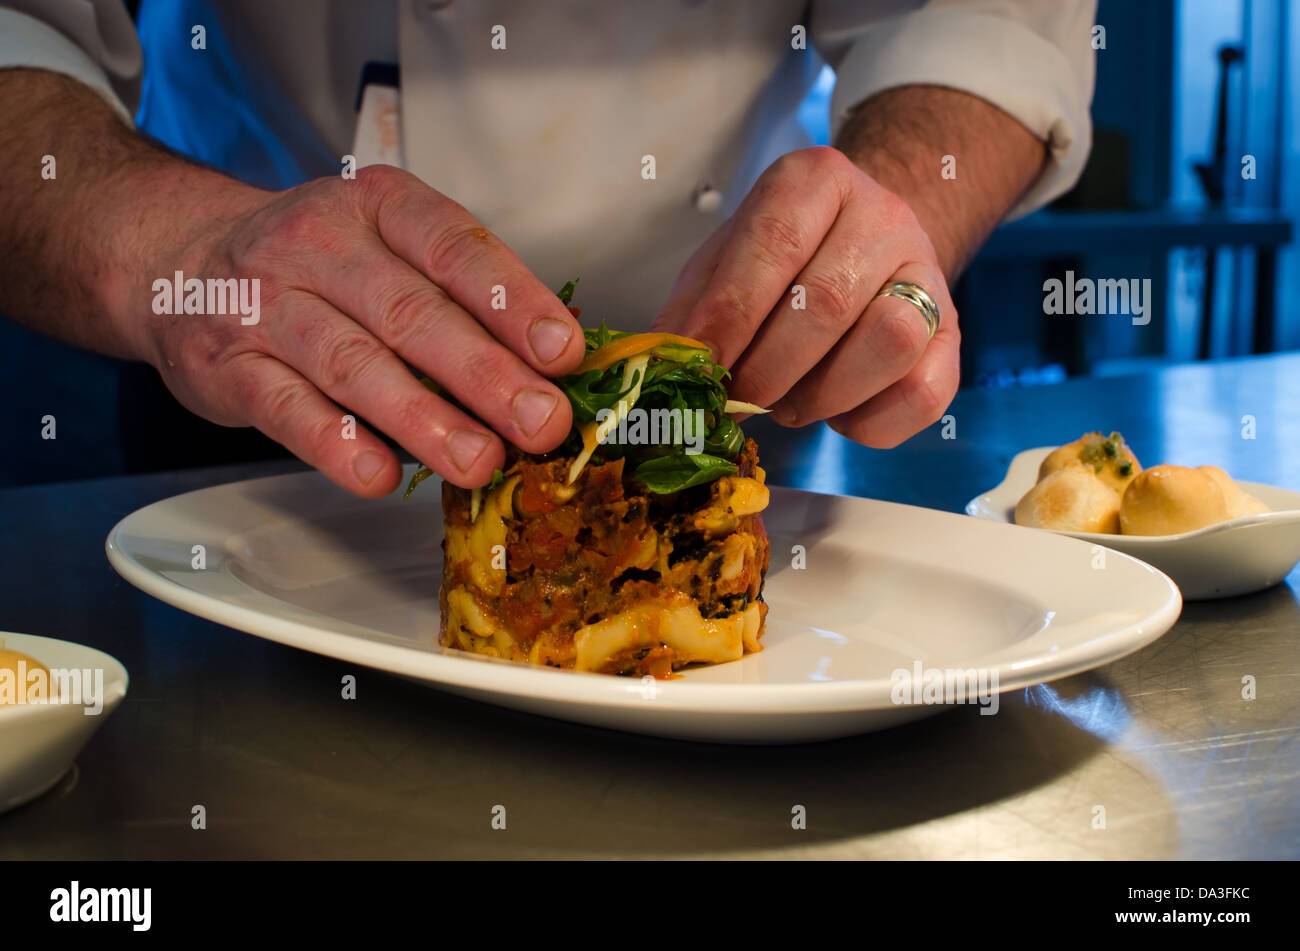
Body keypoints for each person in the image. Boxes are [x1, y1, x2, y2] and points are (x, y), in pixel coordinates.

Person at [0, 0, 1096, 496]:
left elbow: (976, 20)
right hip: (245, 355)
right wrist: (187, 249)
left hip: (742, 386)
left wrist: (883, 219)